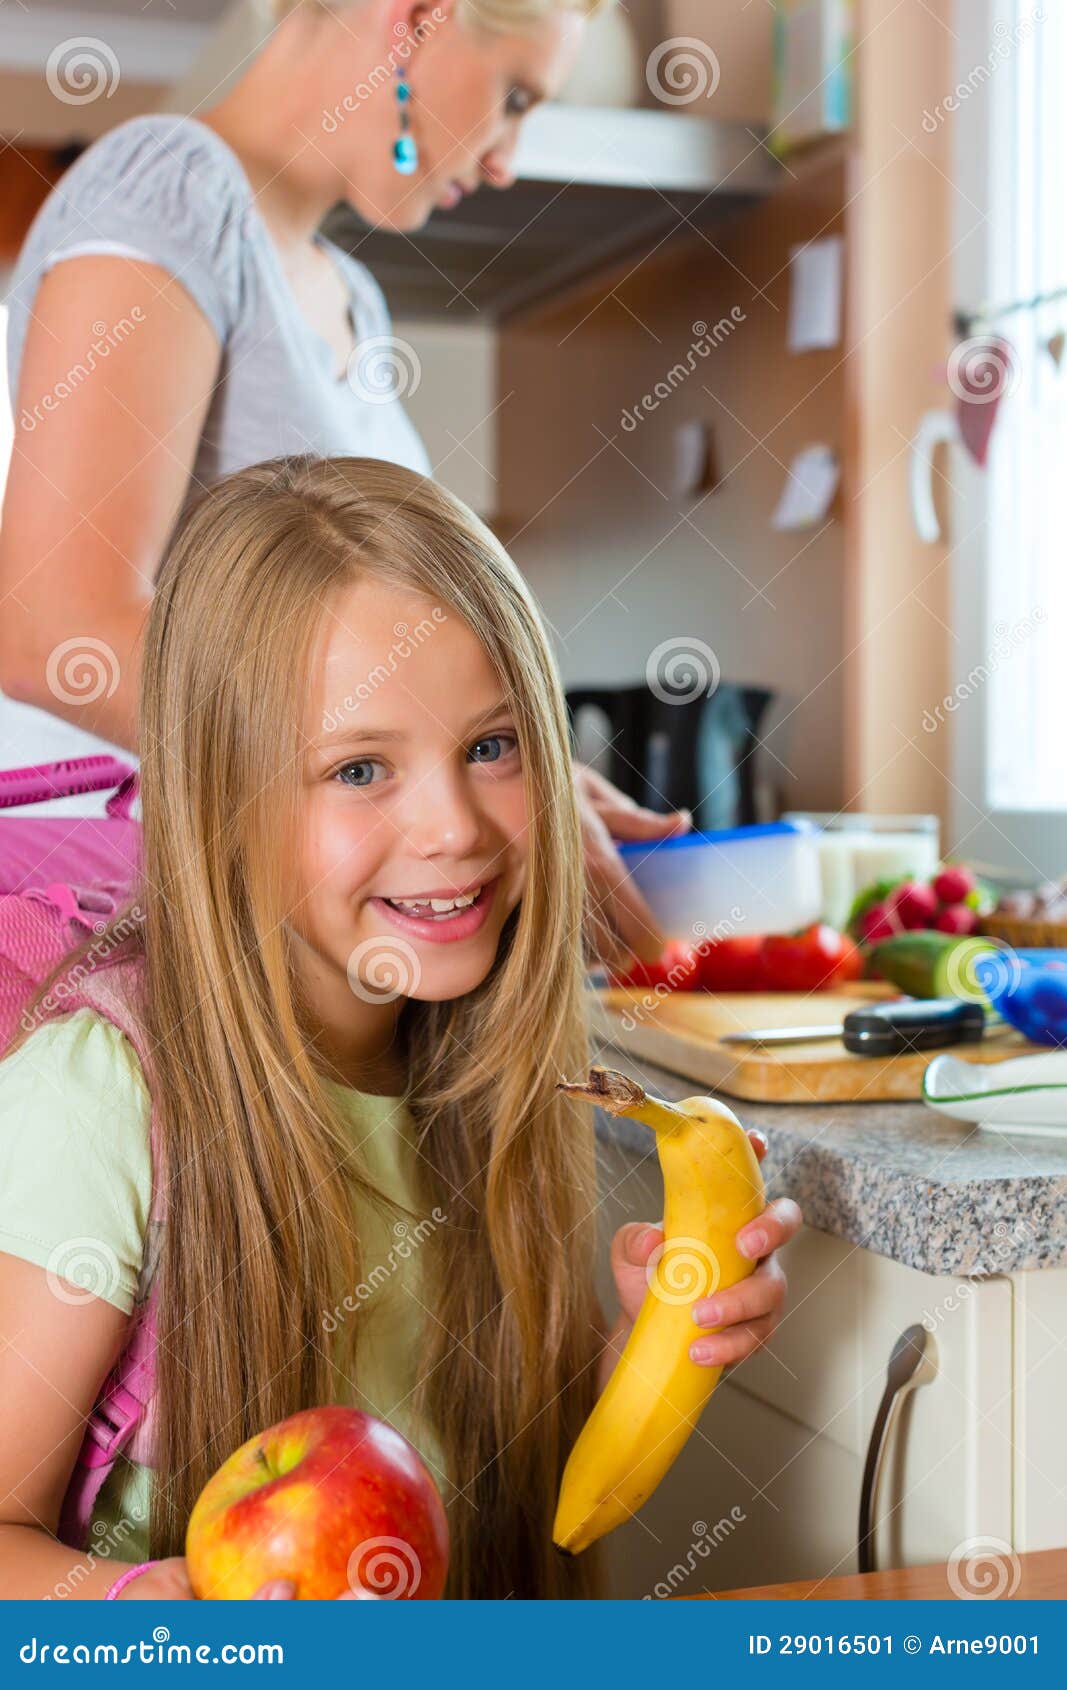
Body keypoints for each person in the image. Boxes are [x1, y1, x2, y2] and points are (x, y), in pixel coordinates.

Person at [0, 458, 801, 1599]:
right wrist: (149, 1611)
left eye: (491, 746)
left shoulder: (474, 1060)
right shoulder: (102, 1094)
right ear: (220, 804)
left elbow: (456, 1478)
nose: (453, 829)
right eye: (360, 768)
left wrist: (647, 1351)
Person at [0, 0, 682, 962]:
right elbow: (53, 633)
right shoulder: (172, 187)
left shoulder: (348, 293)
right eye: (515, 95)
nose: (504, 160)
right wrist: (421, 773)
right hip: (129, 919)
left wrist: (519, 770)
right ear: (415, 21)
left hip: (263, 925)